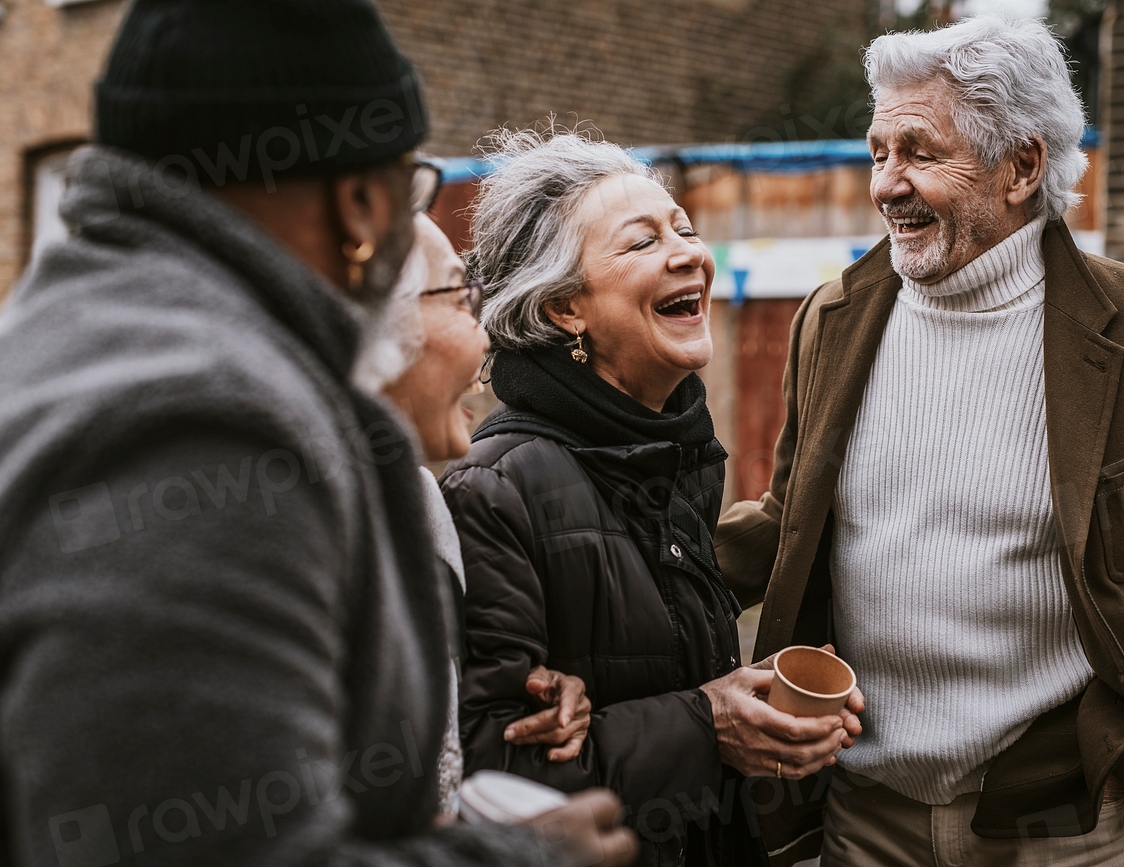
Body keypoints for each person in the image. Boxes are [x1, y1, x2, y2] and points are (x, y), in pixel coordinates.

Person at [0, 2, 631, 865]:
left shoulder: (63, 330)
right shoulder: (207, 419)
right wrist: (530, 856)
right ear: (361, 205)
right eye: (409, 192)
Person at [715, 15, 1124, 867]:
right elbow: (787, 517)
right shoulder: (831, 318)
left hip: (1076, 822)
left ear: (1022, 166)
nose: (886, 184)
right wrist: (595, 595)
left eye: (918, 150)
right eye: (878, 151)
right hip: (871, 810)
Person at [439, 129, 865, 867]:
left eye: (685, 229)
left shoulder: (675, 457)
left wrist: (759, 708)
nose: (687, 253)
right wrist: (706, 725)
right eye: (642, 242)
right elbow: (486, 777)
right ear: (567, 307)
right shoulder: (496, 490)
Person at [381, 213, 598, 819]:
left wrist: (573, 699)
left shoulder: (420, 503)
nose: (485, 338)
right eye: (459, 296)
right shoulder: (487, 482)